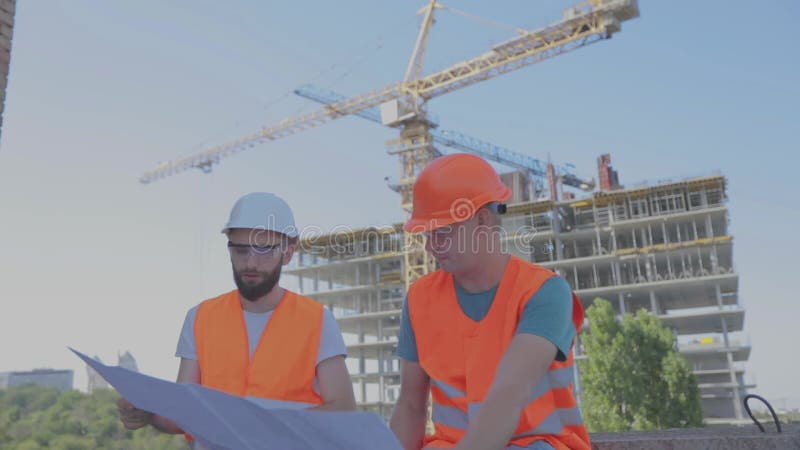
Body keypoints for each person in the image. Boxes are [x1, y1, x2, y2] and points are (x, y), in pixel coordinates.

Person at [118, 192, 356, 445]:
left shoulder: (317, 320)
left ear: (288, 252)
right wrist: (148, 413)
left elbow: (343, 410)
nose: (251, 263)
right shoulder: (200, 318)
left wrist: (264, 427)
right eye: (241, 250)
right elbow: (184, 414)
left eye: (263, 250)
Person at [389, 154, 590, 450]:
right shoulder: (420, 299)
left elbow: (509, 393)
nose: (431, 246)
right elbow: (409, 405)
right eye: (426, 234)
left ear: (482, 220)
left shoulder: (544, 292)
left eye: (442, 232)